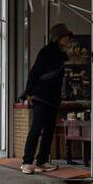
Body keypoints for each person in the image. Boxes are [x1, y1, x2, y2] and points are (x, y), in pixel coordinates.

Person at [19, 23, 72, 174]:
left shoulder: (62, 54)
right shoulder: (47, 52)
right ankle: (27, 161)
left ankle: (42, 161)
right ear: (58, 37)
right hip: (41, 96)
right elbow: (34, 73)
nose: (68, 39)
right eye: (65, 36)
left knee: (49, 130)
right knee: (37, 128)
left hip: (53, 98)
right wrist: (28, 92)